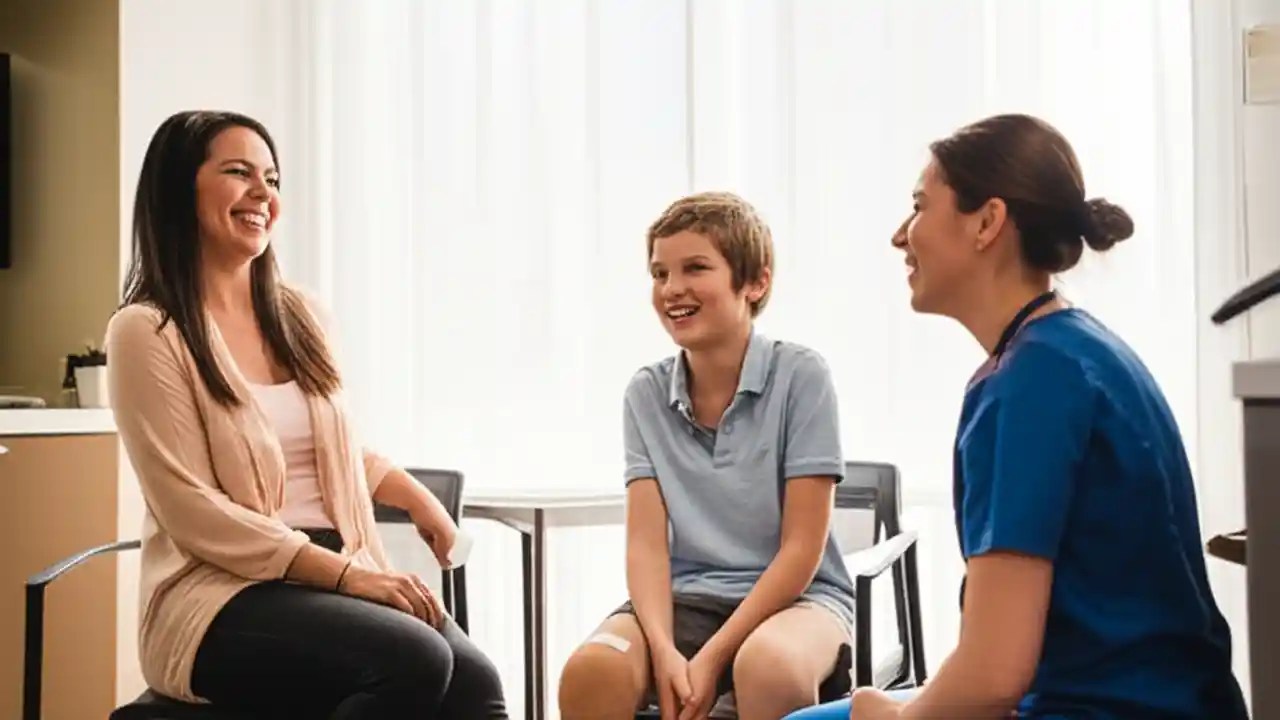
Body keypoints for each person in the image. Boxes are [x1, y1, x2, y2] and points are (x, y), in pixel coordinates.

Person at [785, 114, 1249, 719]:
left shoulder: (1028, 387)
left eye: (920, 206)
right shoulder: (1074, 350)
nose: (902, 235)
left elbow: (993, 677)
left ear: (987, 222)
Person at [107, 110, 507, 719]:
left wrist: (418, 501)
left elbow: (334, 447)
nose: (262, 194)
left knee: (476, 680)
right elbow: (190, 507)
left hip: (335, 570)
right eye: (238, 173)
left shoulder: (300, 314)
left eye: (272, 179)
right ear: (178, 189)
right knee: (414, 660)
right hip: (222, 596)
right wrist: (348, 579)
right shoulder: (148, 330)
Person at [557, 192, 858, 720]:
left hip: (798, 603)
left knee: (767, 667)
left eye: (695, 268)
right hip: (686, 600)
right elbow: (647, 547)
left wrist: (717, 654)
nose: (672, 290)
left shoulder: (802, 377)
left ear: (755, 282)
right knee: (592, 670)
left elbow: (802, 548)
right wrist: (664, 649)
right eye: (659, 273)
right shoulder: (645, 393)